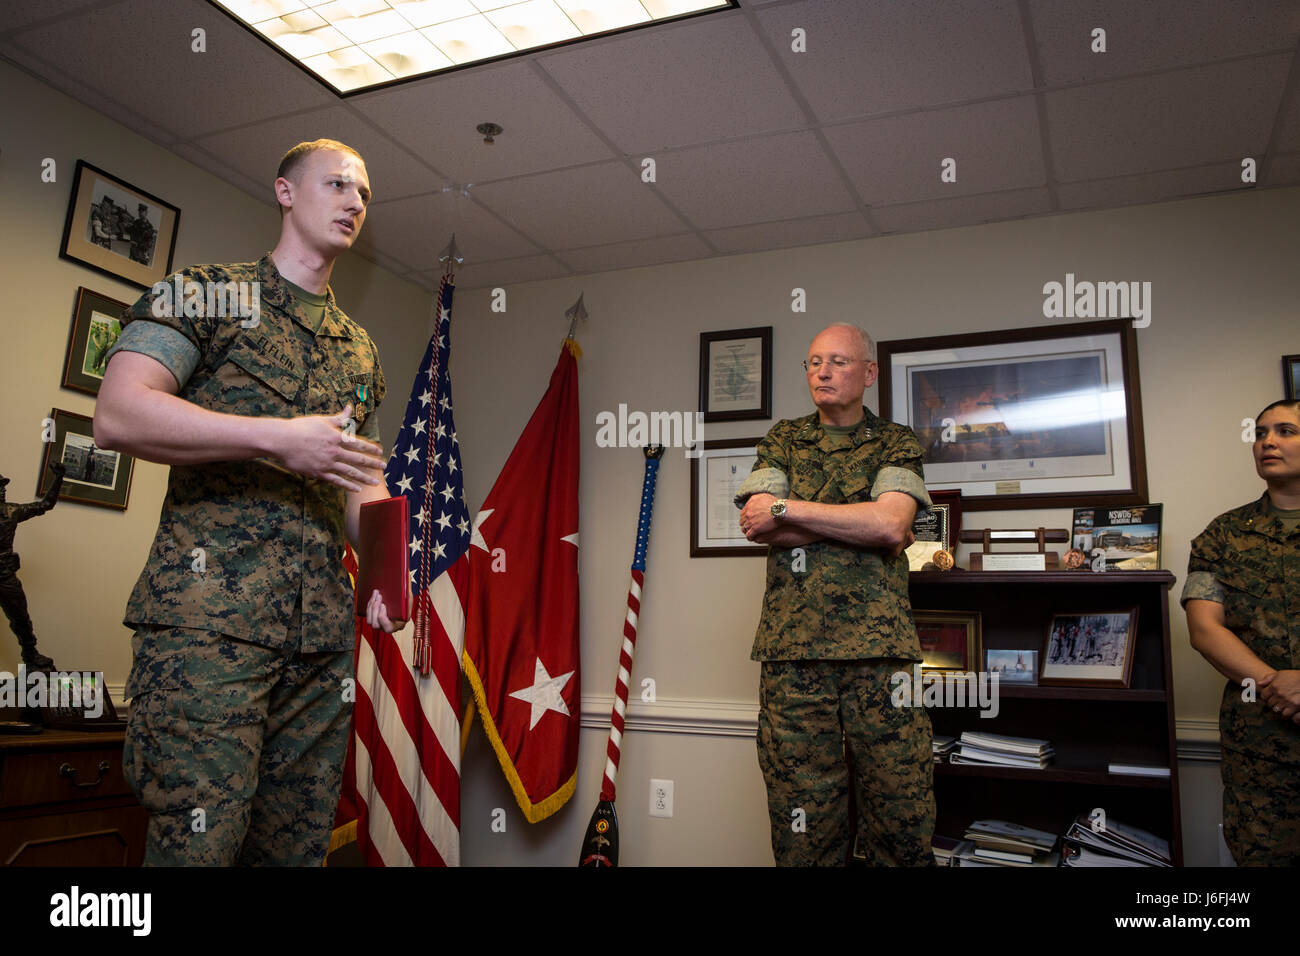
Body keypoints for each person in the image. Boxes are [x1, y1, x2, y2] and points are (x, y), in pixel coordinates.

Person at [95, 138, 404, 866]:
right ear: (286, 193)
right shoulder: (202, 292)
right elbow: (119, 413)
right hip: (208, 633)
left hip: (319, 642)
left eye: (364, 193)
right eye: (337, 184)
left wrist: (389, 575)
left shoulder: (358, 350)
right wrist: (276, 440)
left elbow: (365, 481)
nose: (355, 201)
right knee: (198, 851)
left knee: (292, 853)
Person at [735, 322, 934, 866]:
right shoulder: (782, 439)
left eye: (838, 362)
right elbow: (757, 524)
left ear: (869, 373)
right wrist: (857, 520)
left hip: (881, 656)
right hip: (792, 657)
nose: (822, 371)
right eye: (814, 362)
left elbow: (891, 527)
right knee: (802, 820)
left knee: (900, 811)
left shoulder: (895, 441)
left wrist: (789, 508)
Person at [1183, 398, 1300, 866]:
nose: (1268, 441)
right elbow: (1204, 628)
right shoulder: (1223, 535)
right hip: (1261, 750)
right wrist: (1281, 684)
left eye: (1286, 431)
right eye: (1262, 433)